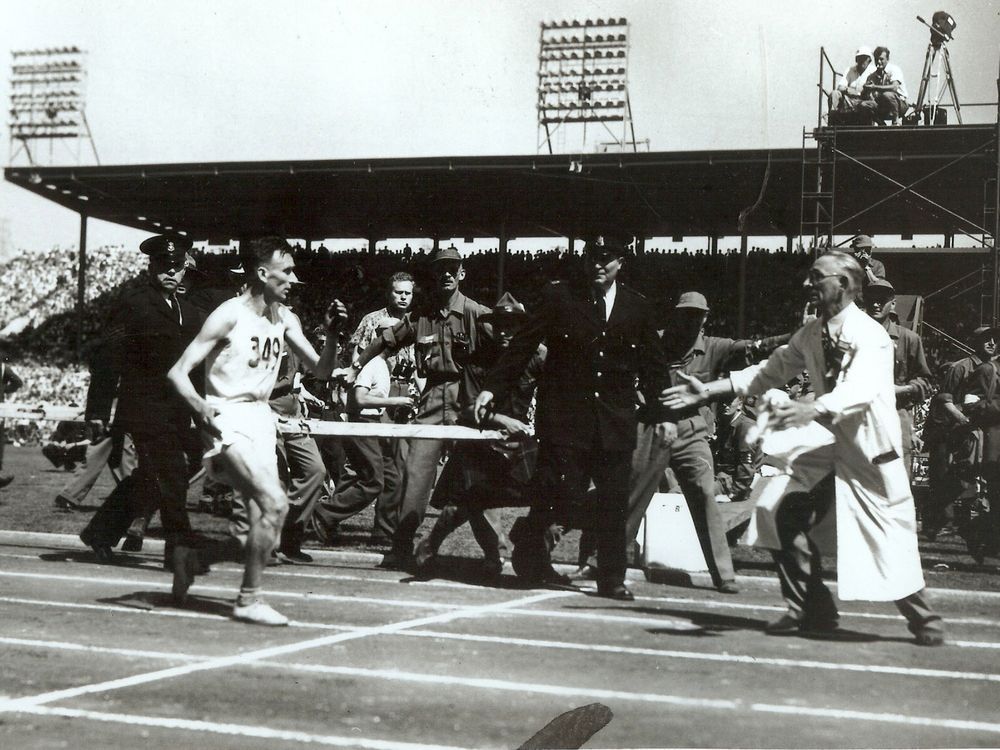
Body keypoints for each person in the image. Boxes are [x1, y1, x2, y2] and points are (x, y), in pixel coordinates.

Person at [661, 251, 944, 646]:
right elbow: (771, 369)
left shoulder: (871, 336)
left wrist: (811, 408)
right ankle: (811, 609)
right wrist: (708, 389)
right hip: (828, 444)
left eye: (817, 276)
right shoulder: (812, 333)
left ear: (843, 284)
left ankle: (925, 619)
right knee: (779, 511)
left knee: (884, 539)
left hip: (869, 451)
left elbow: (860, 390)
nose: (807, 283)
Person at [475, 236, 672, 600]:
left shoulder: (637, 307)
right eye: (592, 257)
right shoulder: (559, 297)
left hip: (614, 423)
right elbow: (522, 345)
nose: (598, 264)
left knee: (614, 501)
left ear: (621, 262)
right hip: (566, 421)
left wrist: (665, 414)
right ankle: (530, 546)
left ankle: (611, 579)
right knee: (560, 495)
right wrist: (492, 389)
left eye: (606, 258)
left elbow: (655, 367)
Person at [167, 235, 346, 626]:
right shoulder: (228, 315)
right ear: (263, 274)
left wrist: (332, 334)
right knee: (275, 504)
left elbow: (321, 370)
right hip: (226, 418)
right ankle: (249, 599)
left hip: (262, 419)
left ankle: (193, 558)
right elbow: (178, 372)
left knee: (261, 533)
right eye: (288, 272)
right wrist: (199, 407)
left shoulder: (285, 318)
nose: (295, 279)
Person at [575, 291, 791, 593]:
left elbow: (758, 347)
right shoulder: (655, 340)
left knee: (704, 495)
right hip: (653, 425)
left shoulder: (715, 347)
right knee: (632, 494)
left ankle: (724, 575)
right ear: (675, 315)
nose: (689, 321)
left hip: (692, 429)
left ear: (705, 318)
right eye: (684, 314)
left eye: (696, 315)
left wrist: (800, 334)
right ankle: (602, 562)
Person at [354, 246, 492, 570]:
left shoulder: (476, 313)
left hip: (466, 400)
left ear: (462, 273)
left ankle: (494, 553)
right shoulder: (422, 317)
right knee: (414, 475)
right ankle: (401, 547)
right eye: (441, 268)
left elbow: (510, 347)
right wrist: (355, 365)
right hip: (431, 398)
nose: (447, 273)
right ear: (433, 274)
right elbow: (387, 340)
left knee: (476, 476)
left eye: (453, 268)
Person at [80, 235, 205, 563]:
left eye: (177, 266)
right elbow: (107, 358)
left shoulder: (189, 311)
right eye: (164, 265)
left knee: (150, 480)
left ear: (185, 269)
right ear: (151, 267)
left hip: (177, 411)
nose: (171, 272)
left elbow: (195, 369)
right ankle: (179, 551)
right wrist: (97, 410)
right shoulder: (133, 303)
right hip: (143, 407)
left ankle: (99, 532)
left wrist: (201, 410)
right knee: (173, 473)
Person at [415, 292, 543, 579]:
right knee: (462, 505)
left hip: (519, 444)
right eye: (499, 326)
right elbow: (467, 408)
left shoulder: (536, 358)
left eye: (511, 326)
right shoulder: (478, 361)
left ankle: (526, 544)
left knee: (547, 491)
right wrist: (502, 420)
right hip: (481, 442)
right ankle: (435, 545)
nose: (504, 332)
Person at [311, 317, 413, 546]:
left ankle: (384, 531)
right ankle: (323, 513)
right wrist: (396, 401)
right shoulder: (372, 364)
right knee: (372, 482)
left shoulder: (384, 364)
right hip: (362, 424)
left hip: (374, 424)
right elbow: (359, 398)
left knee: (391, 477)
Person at [921, 328, 994, 542]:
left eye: (995, 340)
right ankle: (936, 523)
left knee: (966, 476)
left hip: (969, 430)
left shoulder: (992, 369)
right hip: (945, 429)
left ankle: (950, 522)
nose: (992, 343)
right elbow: (944, 400)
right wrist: (962, 420)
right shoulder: (960, 367)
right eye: (986, 339)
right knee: (943, 477)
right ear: (976, 342)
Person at [863, 278, 931, 480]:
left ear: (892, 304)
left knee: (895, 481)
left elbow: (925, 381)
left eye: (882, 299)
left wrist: (902, 389)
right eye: (871, 299)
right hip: (861, 418)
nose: (876, 304)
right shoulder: (852, 337)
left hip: (896, 415)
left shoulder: (908, 339)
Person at [829, 47, 877, 123]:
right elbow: (840, 87)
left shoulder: (873, 71)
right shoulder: (850, 70)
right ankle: (832, 119)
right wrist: (852, 91)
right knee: (834, 93)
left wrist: (856, 92)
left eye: (864, 58)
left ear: (869, 60)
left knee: (866, 104)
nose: (862, 61)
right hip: (849, 101)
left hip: (865, 101)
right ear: (856, 59)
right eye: (860, 58)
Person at [864, 46, 909, 125]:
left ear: (887, 59)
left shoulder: (894, 69)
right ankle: (882, 124)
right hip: (883, 106)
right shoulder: (871, 76)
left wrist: (874, 87)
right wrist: (866, 90)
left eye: (881, 59)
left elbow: (894, 87)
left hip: (900, 104)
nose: (879, 62)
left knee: (887, 94)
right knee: (864, 104)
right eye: (876, 59)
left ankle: (896, 121)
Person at [0, 340, 24, 488]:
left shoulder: (3, 368)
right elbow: (18, 382)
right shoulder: (3, 368)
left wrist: (4, 390)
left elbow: (18, 382)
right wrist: (4, 390)